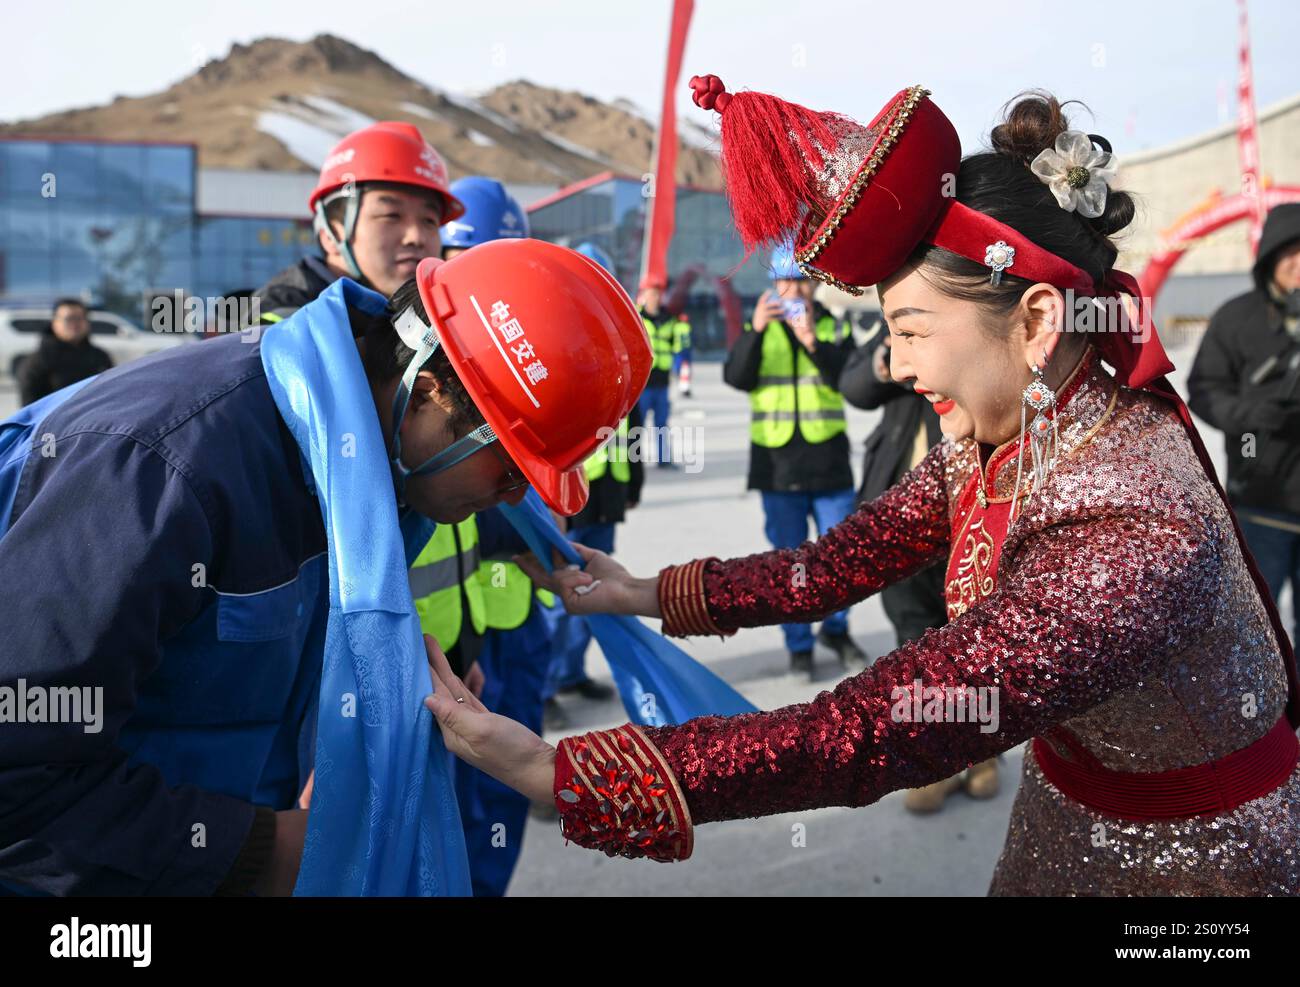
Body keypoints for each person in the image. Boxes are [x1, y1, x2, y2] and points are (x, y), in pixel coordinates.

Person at [426, 78, 1300, 896]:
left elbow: (881, 726)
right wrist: (644, 591)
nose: (899, 365)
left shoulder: (1132, 523)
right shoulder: (1017, 433)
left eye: (911, 331)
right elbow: (842, 560)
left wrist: (559, 770)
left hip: (1197, 869)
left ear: (1036, 319)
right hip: (1069, 818)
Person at [0, 239, 650, 895]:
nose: (513, 498)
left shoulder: (370, 453)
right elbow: (17, 774)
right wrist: (259, 851)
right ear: (428, 394)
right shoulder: (158, 470)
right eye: (510, 469)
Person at [840, 321, 997, 810]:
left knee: (974, 641)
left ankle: (981, 753)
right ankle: (931, 760)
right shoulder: (889, 330)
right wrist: (885, 360)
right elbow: (854, 387)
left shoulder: (965, 320)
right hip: (900, 515)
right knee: (913, 644)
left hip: (971, 508)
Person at [723, 240, 867, 677]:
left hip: (828, 462)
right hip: (778, 465)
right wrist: (755, 331)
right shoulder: (759, 326)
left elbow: (849, 381)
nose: (796, 292)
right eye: (786, 282)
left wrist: (812, 343)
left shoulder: (831, 325)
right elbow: (736, 377)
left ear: (815, 284)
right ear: (774, 285)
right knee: (790, 562)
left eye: (803, 282)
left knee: (840, 555)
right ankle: (799, 644)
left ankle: (836, 630)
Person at [1189, 203, 1300, 646]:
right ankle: (1273, 696)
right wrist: (1249, 416)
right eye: (1289, 252)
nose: (1299, 263)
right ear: (1270, 258)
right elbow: (1204, 389)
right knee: (1257, 627)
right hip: (1259, 501)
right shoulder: (1237, 317)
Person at [543, 242, 644, 729]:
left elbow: (632, 421)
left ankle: (570, 673)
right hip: (565, 494)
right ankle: (544, 686)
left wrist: (634, 481)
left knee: (593, 587)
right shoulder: (554, 339)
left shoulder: (620, 342)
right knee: (558, 590)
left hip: (605, 492)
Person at [254, 121, 462, 321]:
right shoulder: (280, 320)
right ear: (331, 235)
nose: (416, 237)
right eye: (391, 215)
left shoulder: (426, 320)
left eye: (429, 221)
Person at [17, 298, 113, 407]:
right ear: (54, 323)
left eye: (80, 318)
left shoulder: (100, 357)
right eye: (69, 319)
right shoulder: (36, 363)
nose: (75, 324)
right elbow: (30, 410)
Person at [636, 278, 687, 468]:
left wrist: (678, 368)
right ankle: (634, 462)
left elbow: (678, 346)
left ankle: (664, 459)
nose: (654, 298)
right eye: (650, 294)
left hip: (662, 381)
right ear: (643, 296)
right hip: (643, 382)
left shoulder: (670, 319)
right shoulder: (637, 317)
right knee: (637, 425)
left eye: (657, 294)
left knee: (662, 424)